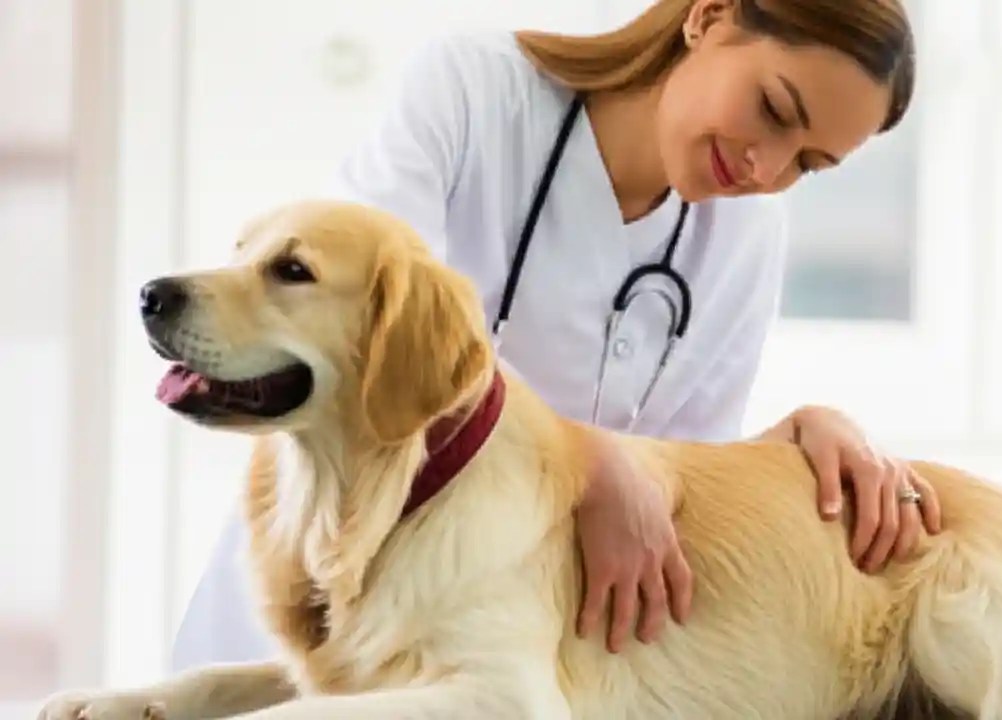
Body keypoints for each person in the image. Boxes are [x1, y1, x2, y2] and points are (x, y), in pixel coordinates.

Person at [170, 0, 944, 669]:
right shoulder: (474, 92)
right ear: (710, 16)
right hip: (314, 599)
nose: (764, 166)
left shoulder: (746, 236)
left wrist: (795, 440)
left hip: (486, 651)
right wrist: (587, 460)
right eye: (774, 110)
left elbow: (671, 488)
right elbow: (355, 341)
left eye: (807, 163)